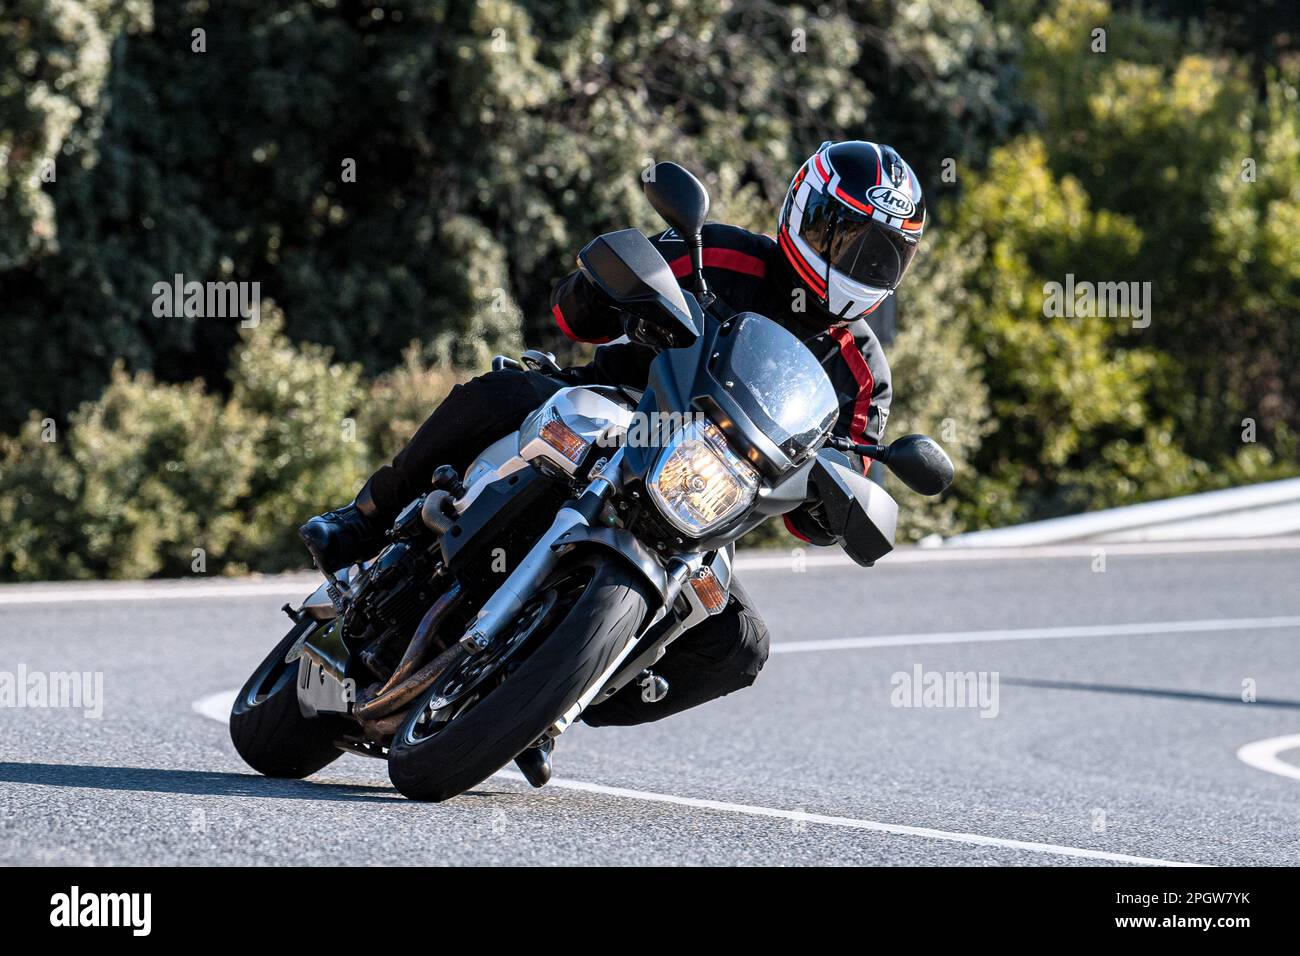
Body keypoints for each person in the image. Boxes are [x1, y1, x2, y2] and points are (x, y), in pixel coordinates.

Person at [299, 140, 926, 784]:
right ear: (806, 212)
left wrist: (833, 507)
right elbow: (572, 313)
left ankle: (552, 697)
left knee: (738, 647)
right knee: (500, 394)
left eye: (881, 254)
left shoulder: (863, 372)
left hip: (709, 501)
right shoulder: (721, 254)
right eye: (848, 240)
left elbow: (837, 487)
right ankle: (363, 518)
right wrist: (609, 290)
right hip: (618, 412)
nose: (859, 263)